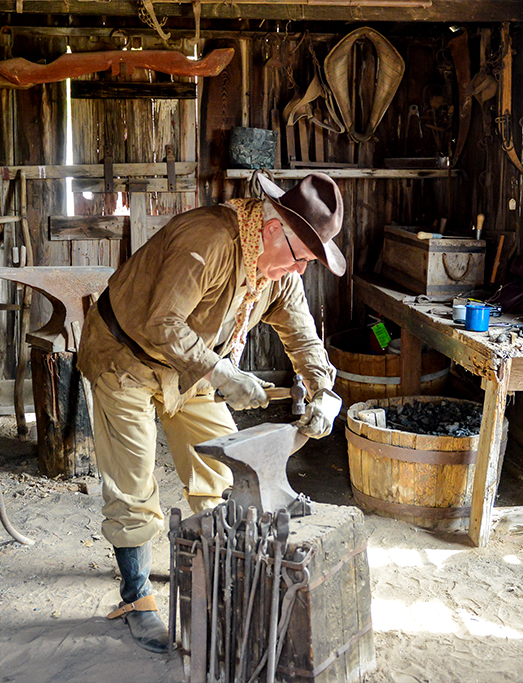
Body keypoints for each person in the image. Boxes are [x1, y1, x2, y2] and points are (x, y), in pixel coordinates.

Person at [77, 172, 346, 653]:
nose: (301, 271)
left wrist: (325, 390)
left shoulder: (276, 272)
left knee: (226, 466)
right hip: (126, 355)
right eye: (302, 258)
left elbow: (304, 336)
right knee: (134, 482)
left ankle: (220, 569)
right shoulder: (209, 240)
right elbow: (163, 323)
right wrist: (224, 375)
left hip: (190, 368)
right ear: (272, 230)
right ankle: (135, 598)